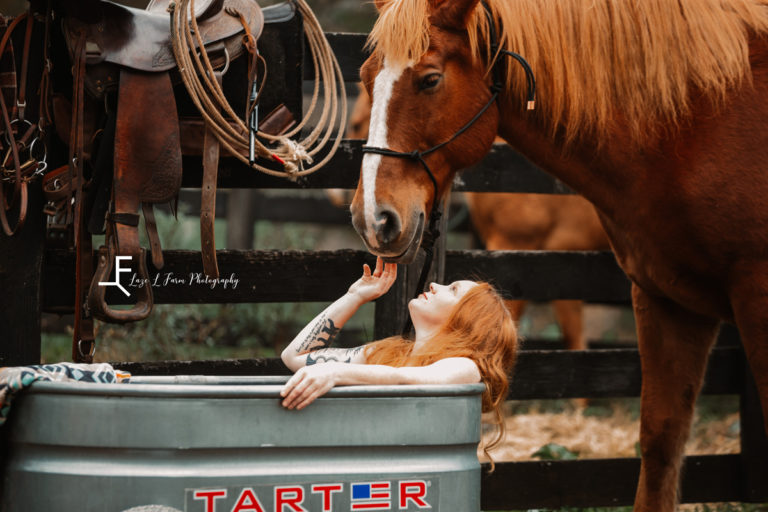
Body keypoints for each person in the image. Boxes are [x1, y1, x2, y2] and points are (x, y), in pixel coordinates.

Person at [280, 256, 518, 463]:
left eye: (453, 290)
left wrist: (337, 372)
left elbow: (412, 379)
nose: (435, 284)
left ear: (469, 320)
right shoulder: (387, 353)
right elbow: (295, 357)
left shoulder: (466, 367)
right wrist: (354, 296)